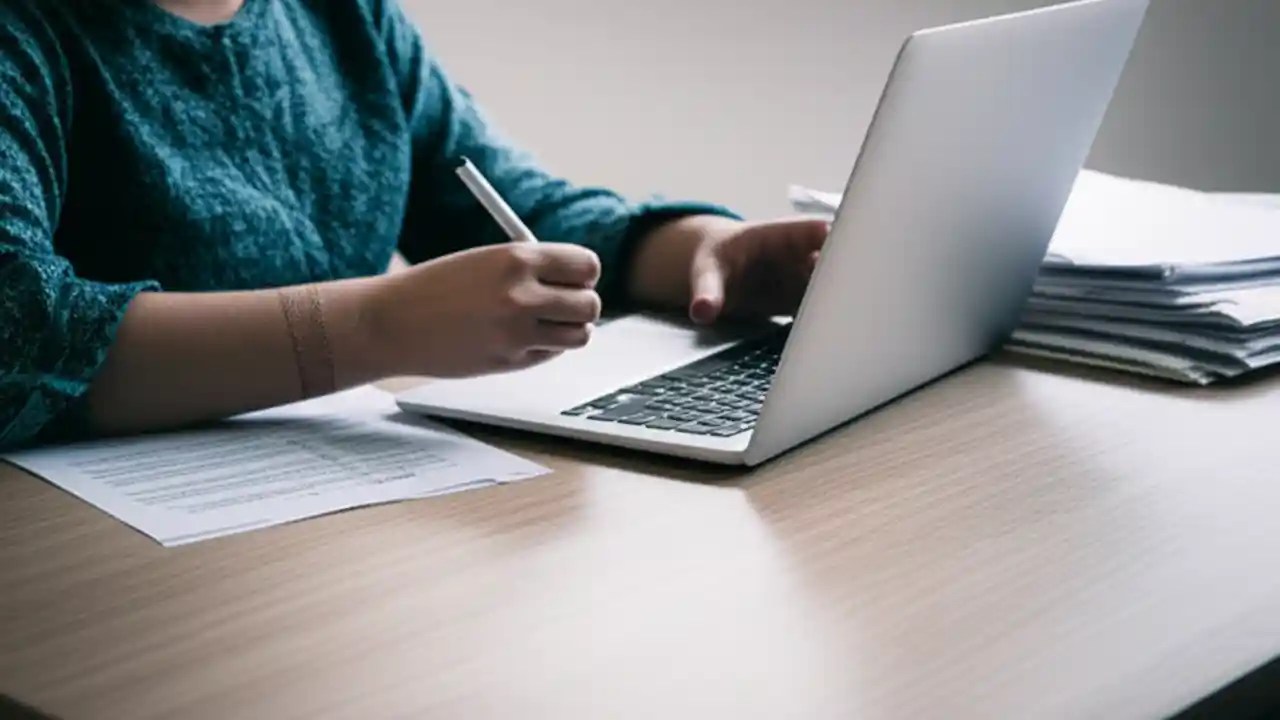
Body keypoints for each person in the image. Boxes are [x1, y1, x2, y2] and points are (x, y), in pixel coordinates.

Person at [0, 0, 828, 451]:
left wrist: (706, 252)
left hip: (317, 523)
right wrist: (375, 325)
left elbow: (515, 207)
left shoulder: (344, 19)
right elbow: (20, 340)